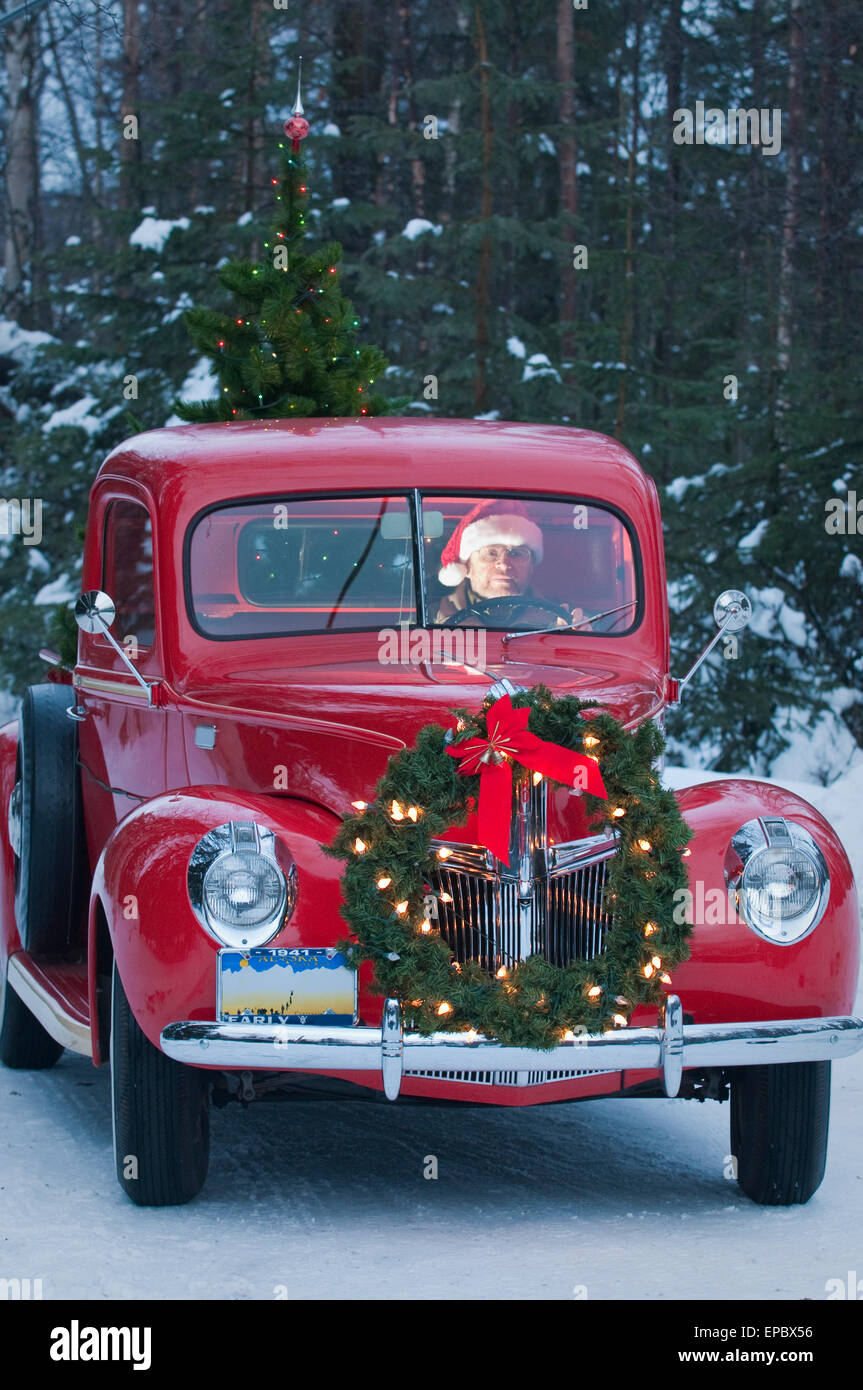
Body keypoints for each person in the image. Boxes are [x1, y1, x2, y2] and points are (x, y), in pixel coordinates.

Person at [433, 499, 588, 627]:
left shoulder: (563, 619)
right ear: (467, 567)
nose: (504, 564)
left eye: (517, 553)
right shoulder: (427, 620)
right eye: (491, 553)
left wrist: (572, 638)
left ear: (531, 566)